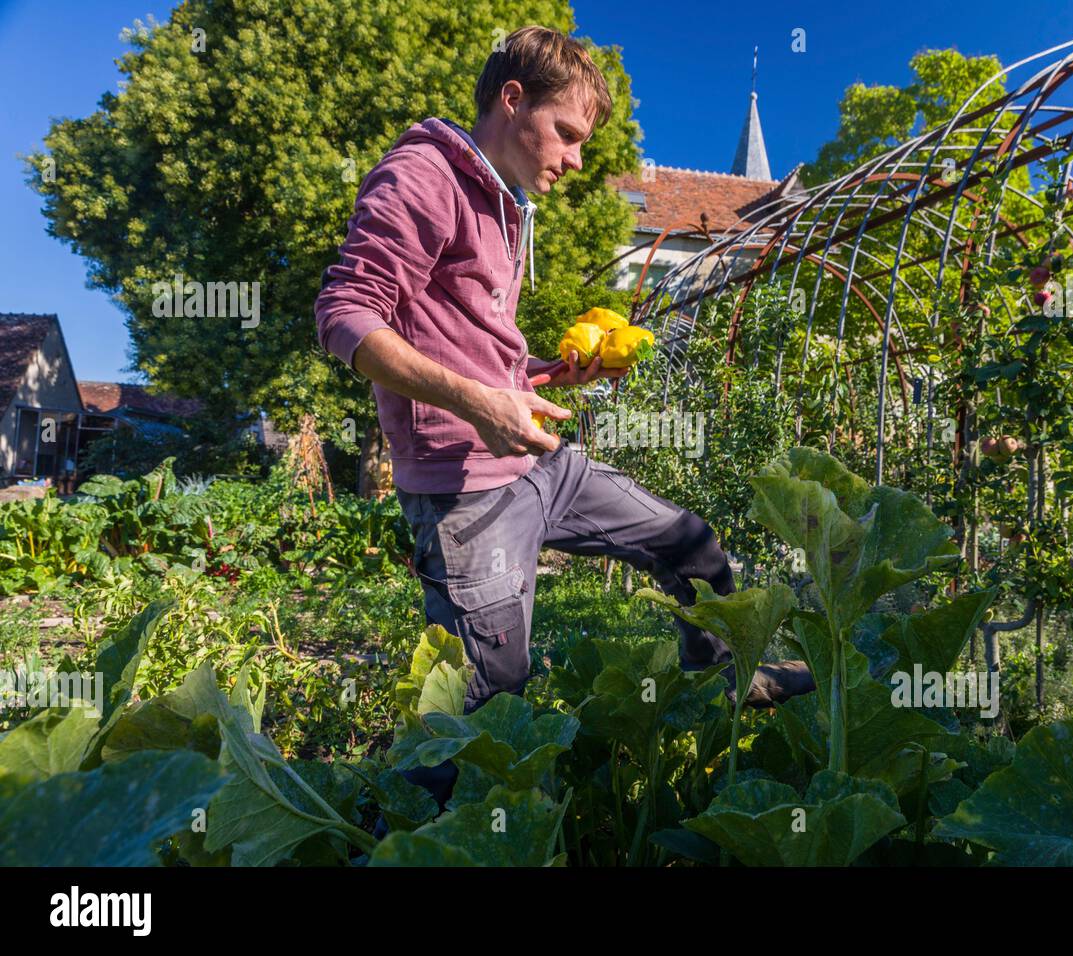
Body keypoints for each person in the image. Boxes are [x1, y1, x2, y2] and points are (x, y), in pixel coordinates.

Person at [315, 26, 812, 808]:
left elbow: (477, 353)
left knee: (692, 547)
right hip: (463, 488)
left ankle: (726, 677)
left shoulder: (507, 205)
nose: (578, 159)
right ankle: (406, 836)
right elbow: (345, 315)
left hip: (540, 463)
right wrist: (481, 403)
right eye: (570, 134)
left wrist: (545, 374)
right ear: (513, 101)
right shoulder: (421, 178)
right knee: (484, 705)